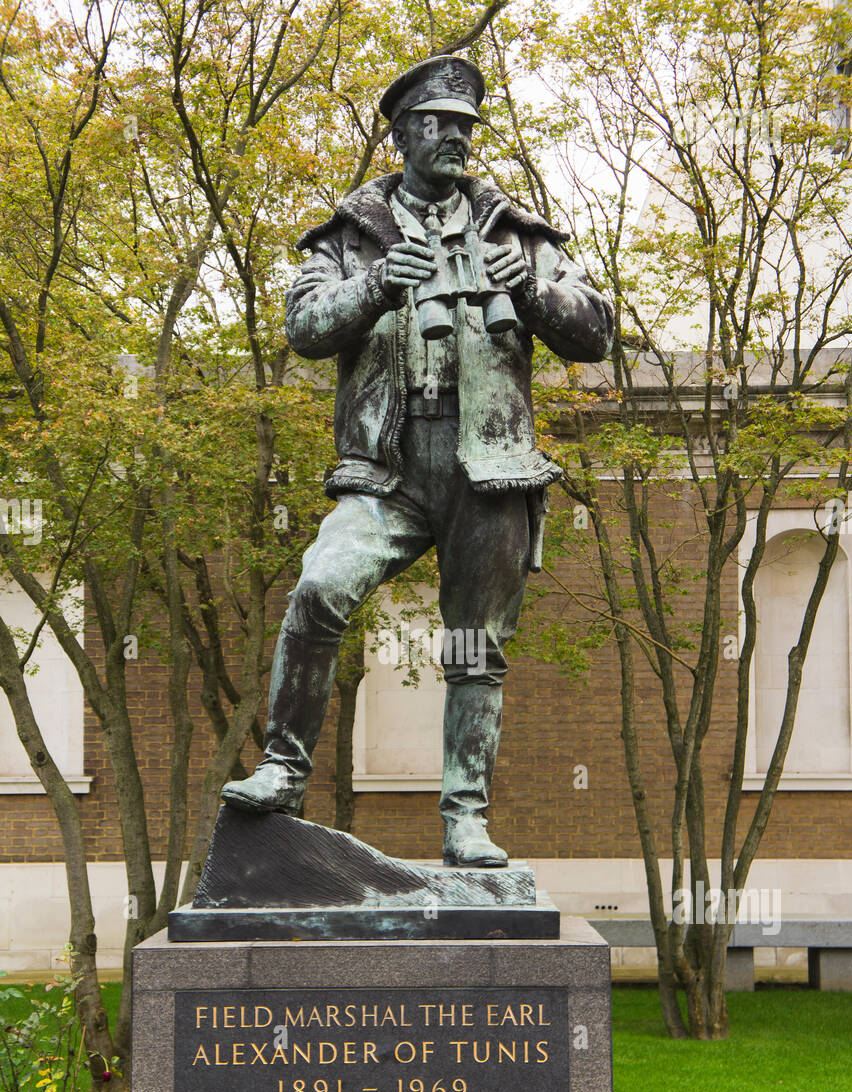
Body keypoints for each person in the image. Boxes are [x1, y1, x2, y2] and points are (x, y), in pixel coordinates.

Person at [221, 56, 613, 866]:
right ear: (400, 135)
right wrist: (371, 287)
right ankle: (284, 770)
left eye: (466, 126)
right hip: (388, 469)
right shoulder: (347, 234)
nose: (456, 138)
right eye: (438, 123)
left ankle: (464, 818)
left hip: (488, 467)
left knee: (475, 647)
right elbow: (302, 328)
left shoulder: (515, 231)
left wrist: (532, 291)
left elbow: (596, 333)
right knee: (320, 589)